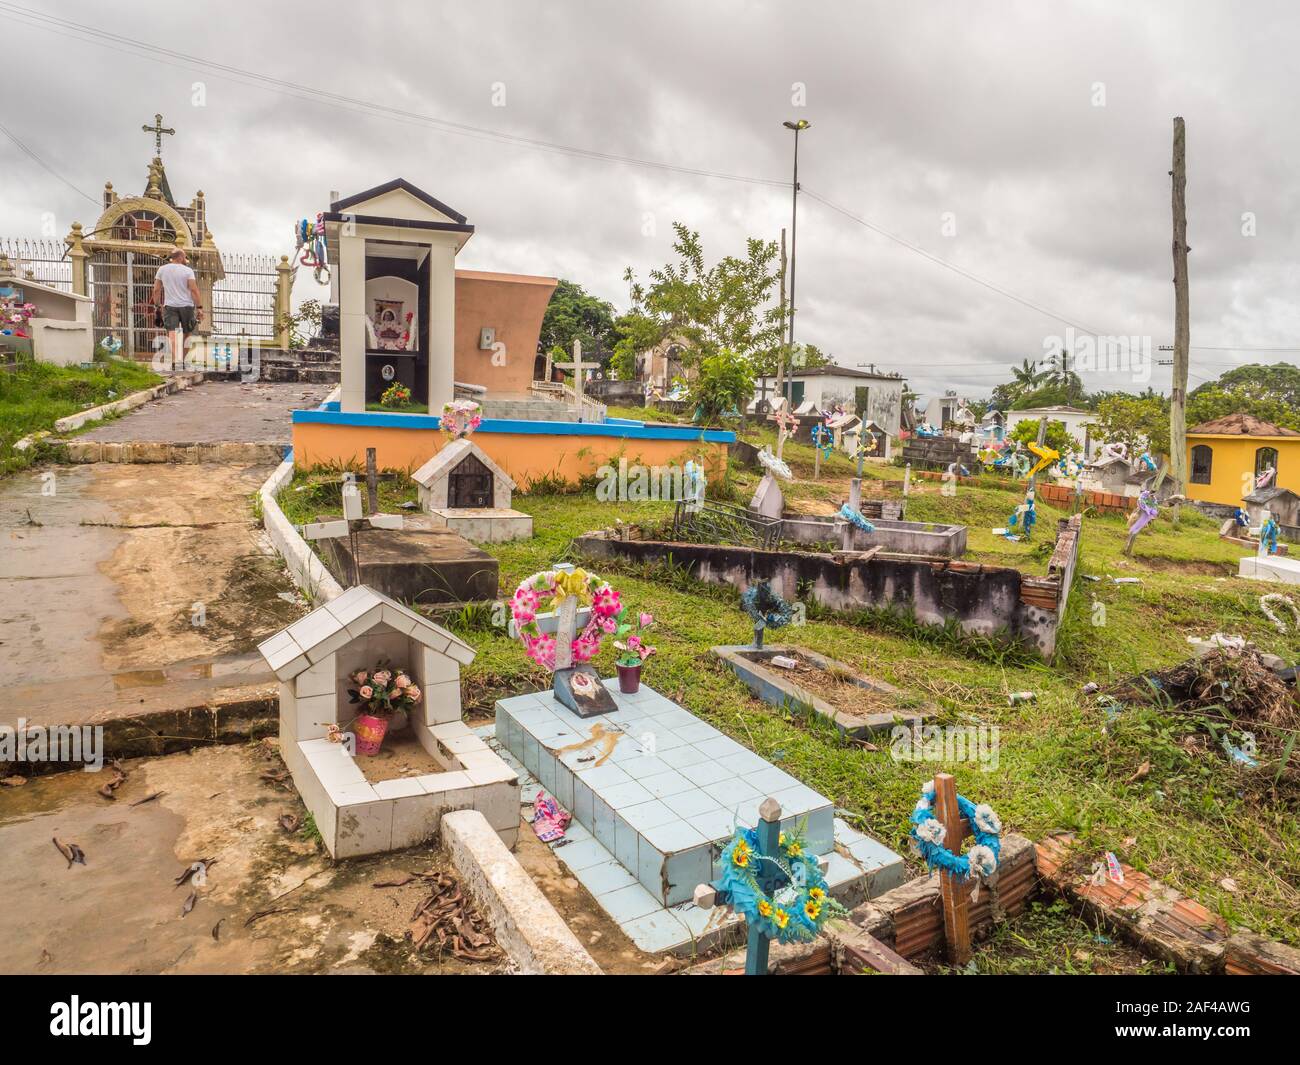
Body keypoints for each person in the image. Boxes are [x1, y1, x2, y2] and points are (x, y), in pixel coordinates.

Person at [150, 248, 204, 368]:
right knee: (187, 333)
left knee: (172, 334)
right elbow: (194, 290)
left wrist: (157, 305)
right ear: (180, 257)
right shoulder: (188, 271)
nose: (185, 259)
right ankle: (185, 361)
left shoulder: (162, 270)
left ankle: (175, 361)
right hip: (187, 306)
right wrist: (199, 307)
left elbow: (156, 289)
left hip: (170, 306)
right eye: (184, 257)